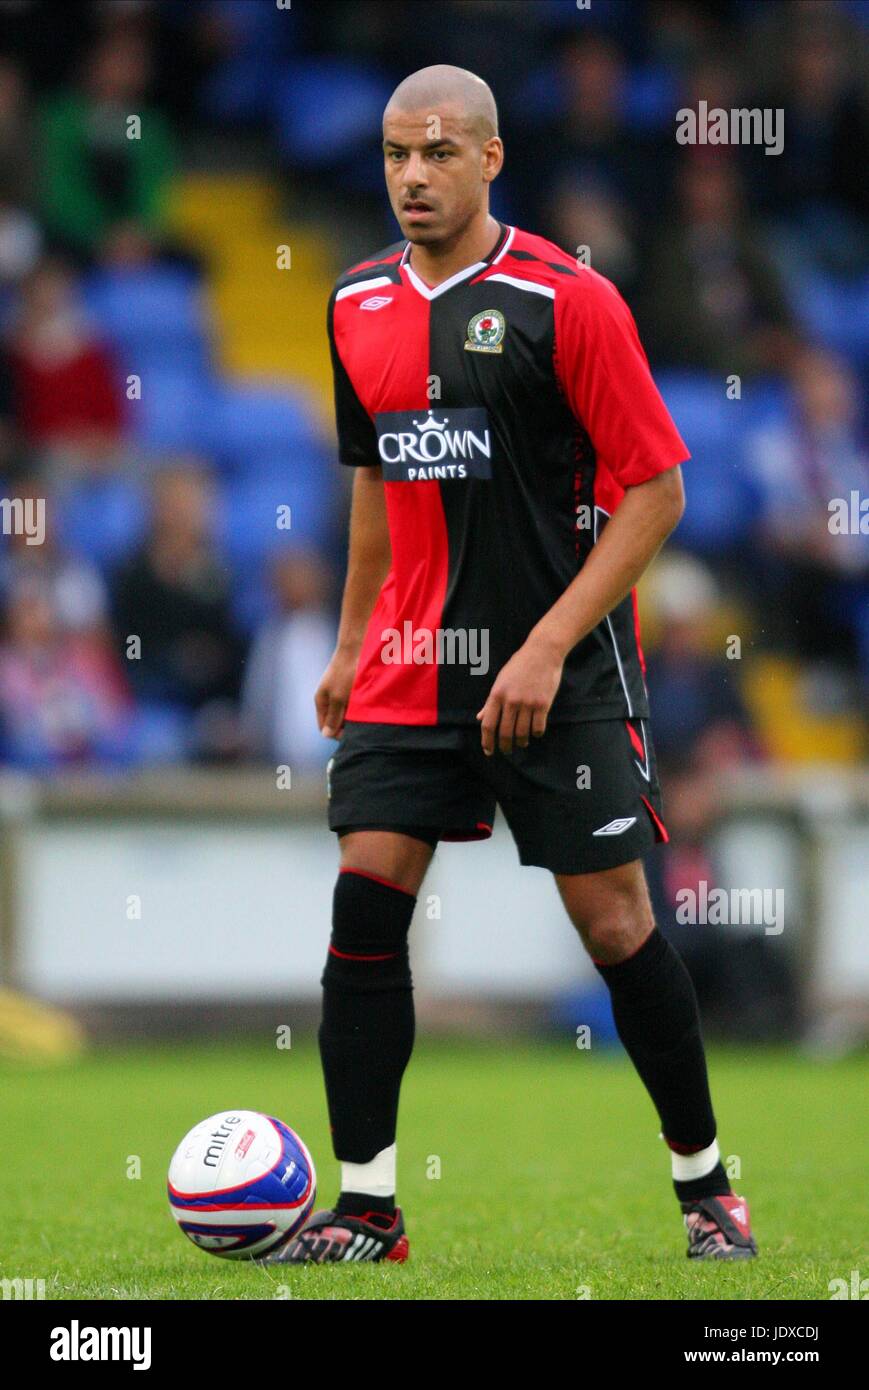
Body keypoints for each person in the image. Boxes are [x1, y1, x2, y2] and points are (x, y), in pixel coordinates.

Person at [272, 65, 757, 1266]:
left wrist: (544, 643)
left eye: (436, 152)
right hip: (411, 658)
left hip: (564, 661)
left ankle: (705, 1189)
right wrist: (347, 641)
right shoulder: (352, 302)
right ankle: (368, 1208)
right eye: (393, 154)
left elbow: (657, 493)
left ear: (491, 159)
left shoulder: (567, 299)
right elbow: (376, 480)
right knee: (363, 904)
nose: (410, 176)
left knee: (612, 922)